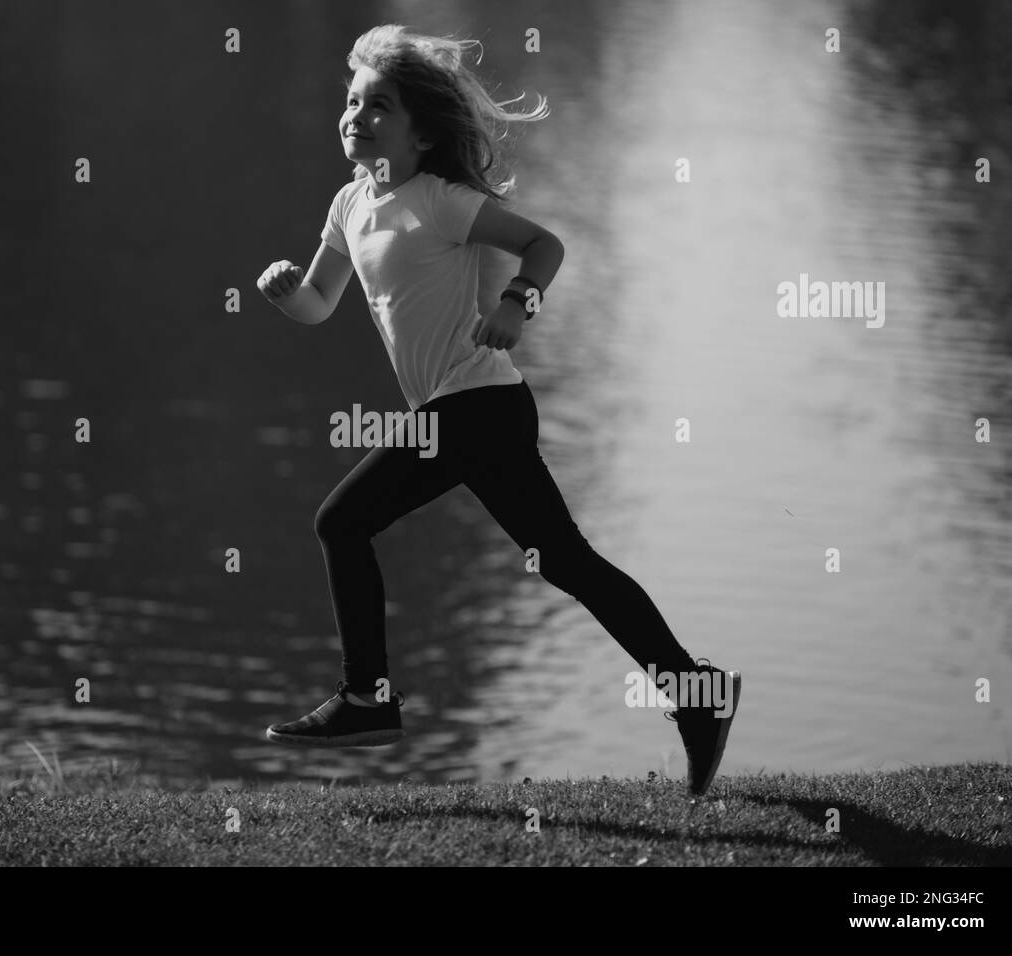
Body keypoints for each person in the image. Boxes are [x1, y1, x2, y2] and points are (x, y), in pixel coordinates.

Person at [255, 24, 740, 795]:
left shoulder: (442, 202)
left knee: (341, 522)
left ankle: (365, 700)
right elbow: (320, 304)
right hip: (476, 413)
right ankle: (695, 694)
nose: (358, 116)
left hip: (475, 405)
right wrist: (290, 295)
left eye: (380, 106)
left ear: (420, 133)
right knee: (569, 563)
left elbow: (545, 246)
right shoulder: (350, 203)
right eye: (352, 102)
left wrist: (519, 300)